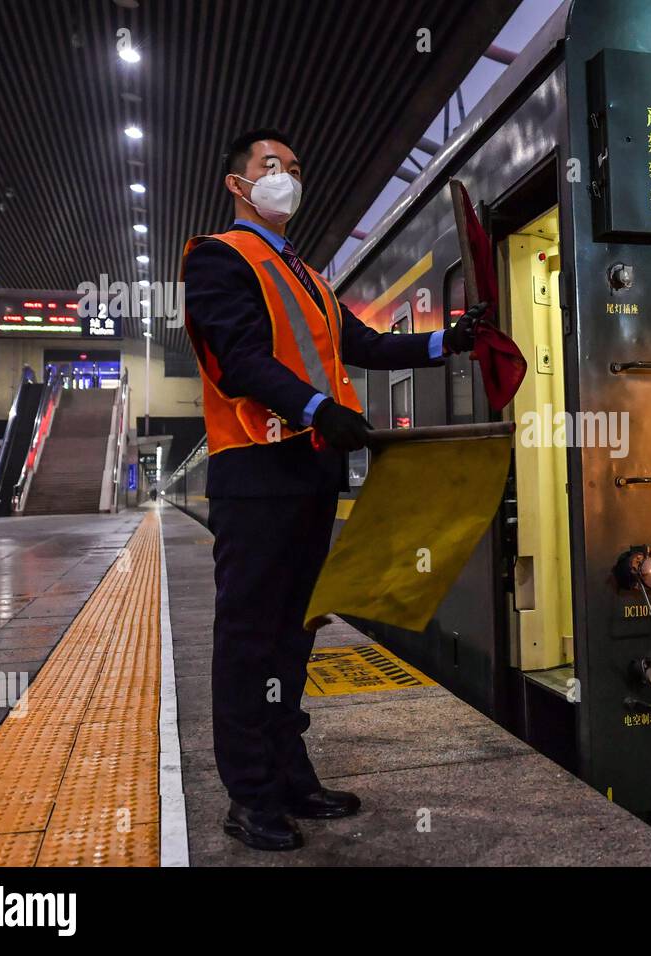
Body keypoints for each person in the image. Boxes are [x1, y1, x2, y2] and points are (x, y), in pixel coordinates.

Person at [182, 128, 483, 851]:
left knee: (295, 637)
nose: (285, 175)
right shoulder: (219, 260)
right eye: (269, 165)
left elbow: (365, 346)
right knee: (249, 641)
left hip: (309, 474)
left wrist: (451, 341)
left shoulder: (309, 275)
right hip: (256, 475)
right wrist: (318, 409)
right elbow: (238, 359)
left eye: (294, 165)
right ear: (237, 184)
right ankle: (248, 795)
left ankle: (290, 774)